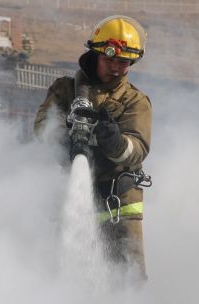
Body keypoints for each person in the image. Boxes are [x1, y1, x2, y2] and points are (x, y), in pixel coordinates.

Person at [34, 15, 152, 280]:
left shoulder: (135, 102)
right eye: (109, 59)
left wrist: (116, 142)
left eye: (123, 62)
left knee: (126, 277)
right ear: (96, 54)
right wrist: (64, 138)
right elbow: (42, 126)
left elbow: (138, 149)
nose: (115, 67)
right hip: (68, 193)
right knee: (60, 269)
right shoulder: (66, 90)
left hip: (118, 203)